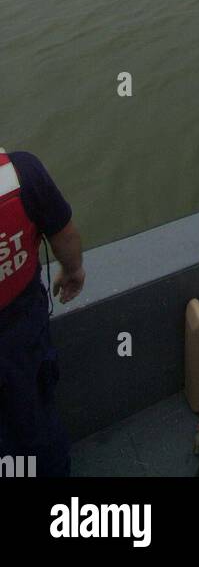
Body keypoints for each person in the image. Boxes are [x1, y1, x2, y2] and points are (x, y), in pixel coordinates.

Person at [0, 147, 85, 476]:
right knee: (36, 422)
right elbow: (64, 236)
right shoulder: (23, 173)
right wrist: (74, 270)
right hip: (23, 336)